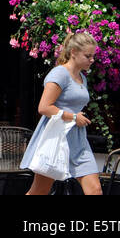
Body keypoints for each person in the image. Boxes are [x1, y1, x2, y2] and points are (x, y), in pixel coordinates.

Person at [22, 31, 101, 195]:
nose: (92, 60)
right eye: (88, 56)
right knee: (40, 191)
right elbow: (44, 107)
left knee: (95, 190)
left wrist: (76, 117)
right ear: (73, 52)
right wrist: (72, 117)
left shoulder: (82, 78)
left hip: (78, 140)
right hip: (56, 138)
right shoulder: (59, 74)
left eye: (93, 56)